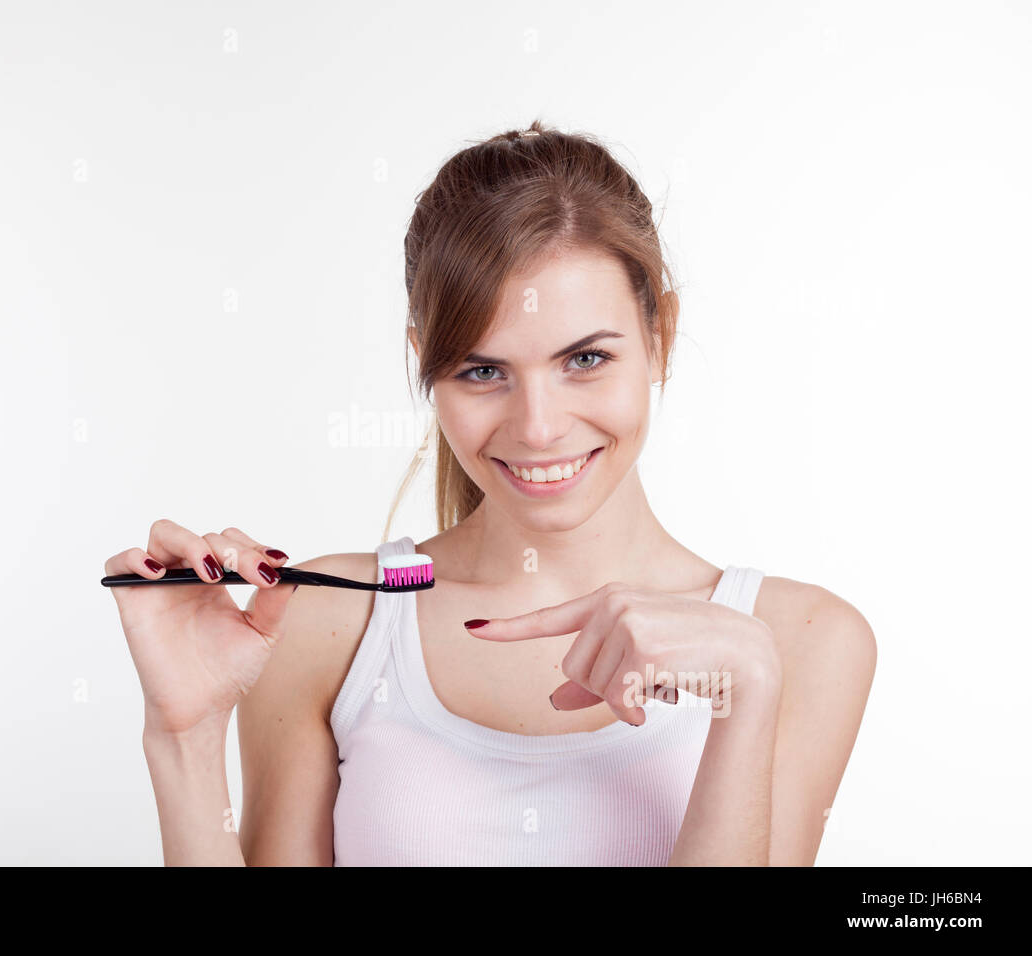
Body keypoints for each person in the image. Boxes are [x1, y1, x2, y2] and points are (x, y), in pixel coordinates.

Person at [104, 120, 877, 866]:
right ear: (425, 364)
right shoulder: (326, 620)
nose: (538, 428)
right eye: (482, 371)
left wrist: (745, 693)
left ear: (659, 336)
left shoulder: (800, 642)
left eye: (585, 359)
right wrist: (185, 739)